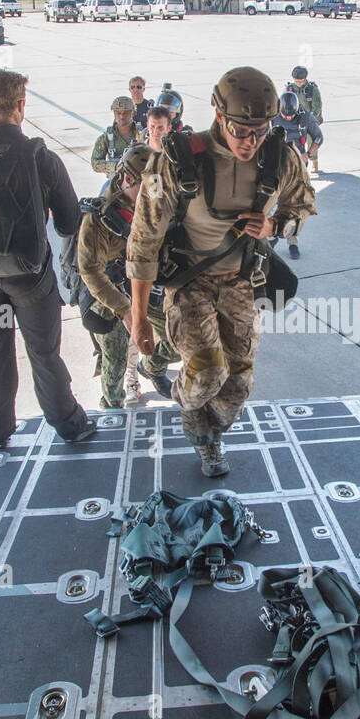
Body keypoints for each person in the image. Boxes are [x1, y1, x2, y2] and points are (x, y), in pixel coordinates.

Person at [126, 67, 316, 476]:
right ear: (217, 113)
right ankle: (189, 411)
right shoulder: (174, 161)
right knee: (208, 371)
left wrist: (275, 227)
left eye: (260, 131)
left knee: (238, 385)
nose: (250, 142)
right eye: (240, 131)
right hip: (189, 281)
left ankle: (210, 438)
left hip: (243, 280)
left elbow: (302, 206)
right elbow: (143, 241)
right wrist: (139, 318)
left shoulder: (279, 156)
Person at [0, 69, 97, 448]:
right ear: (21, 106)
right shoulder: (41, 159)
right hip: (30, 278)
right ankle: (68, 424)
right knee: (43, 354)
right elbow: (68, 224)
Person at [77, 144, 177, 409]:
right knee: (116, 360)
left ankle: (152, 368)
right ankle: (112, 406)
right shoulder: (98, 217)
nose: (153, 195)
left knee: (178, 336)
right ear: (127, 179)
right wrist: (125, 311)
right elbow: (89, 270)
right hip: (110, 292)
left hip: (142, 282)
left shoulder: (153, 198)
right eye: (147, 189)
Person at [268, 90, 322, 261]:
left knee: (295, 208)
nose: (288, 118)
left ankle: (293, 242)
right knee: (269, 206)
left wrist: (308, 155)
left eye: (291, 116)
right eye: (285, 115)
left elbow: (319, 137)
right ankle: (271, 238)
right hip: (277, 168)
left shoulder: (306, 117)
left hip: (298, 171)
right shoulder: (272, 115)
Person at [92, 96, 142, 174]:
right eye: (118, 113)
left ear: (133, 113)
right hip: (115, 181)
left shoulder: (142, 135)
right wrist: (115, 166)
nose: (122, 116)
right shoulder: (106, 138)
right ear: (114, 114)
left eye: (125, 113)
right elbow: (95, 163)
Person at [288, 66, 323, 175]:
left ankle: (314, 161)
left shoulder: (312, 89)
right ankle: (297, 162)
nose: (298, 83)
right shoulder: (290, 88)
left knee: (310, 140)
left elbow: (317, 107)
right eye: (296, 81)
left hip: (310, 119)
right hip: (295, 120)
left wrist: (310, 120)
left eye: (301, 81)